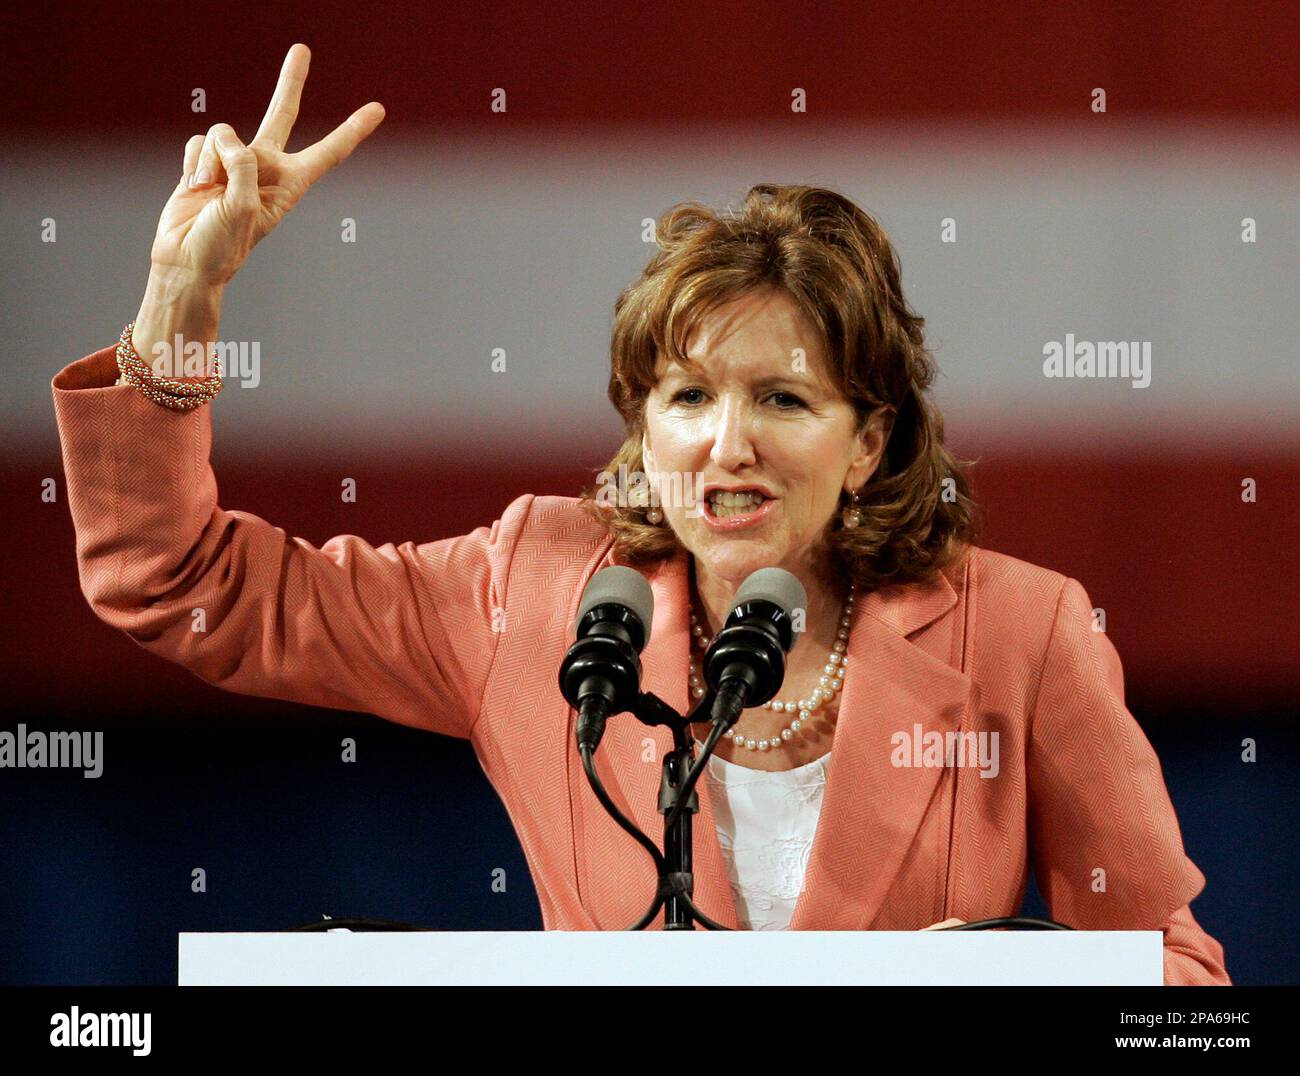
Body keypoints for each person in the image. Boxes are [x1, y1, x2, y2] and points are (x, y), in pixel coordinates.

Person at [51, 44, 1229, 984]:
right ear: (642, 426)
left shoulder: (1022, 632)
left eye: (783, 396)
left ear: (869, 437)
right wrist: (180, 298)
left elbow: (1178, 985)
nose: (728, 441)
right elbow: (180, 584)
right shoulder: (534, 592)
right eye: (687, 396)